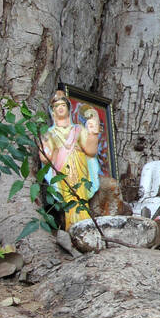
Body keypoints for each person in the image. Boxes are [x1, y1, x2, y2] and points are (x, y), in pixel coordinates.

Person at [39, 90, 100, 227]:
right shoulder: (49, 133)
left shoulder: (78, 129)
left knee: (81, 196)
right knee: (69, 197)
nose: (60, 108)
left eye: (63, 105)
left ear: (68, 108)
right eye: (57, 106)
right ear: (53, 111)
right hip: (62, 168)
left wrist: (93, 133)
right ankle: (71, 224)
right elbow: (44, 158)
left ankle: (86, 223)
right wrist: (45, 144)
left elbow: (90, 151)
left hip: (80, 167)